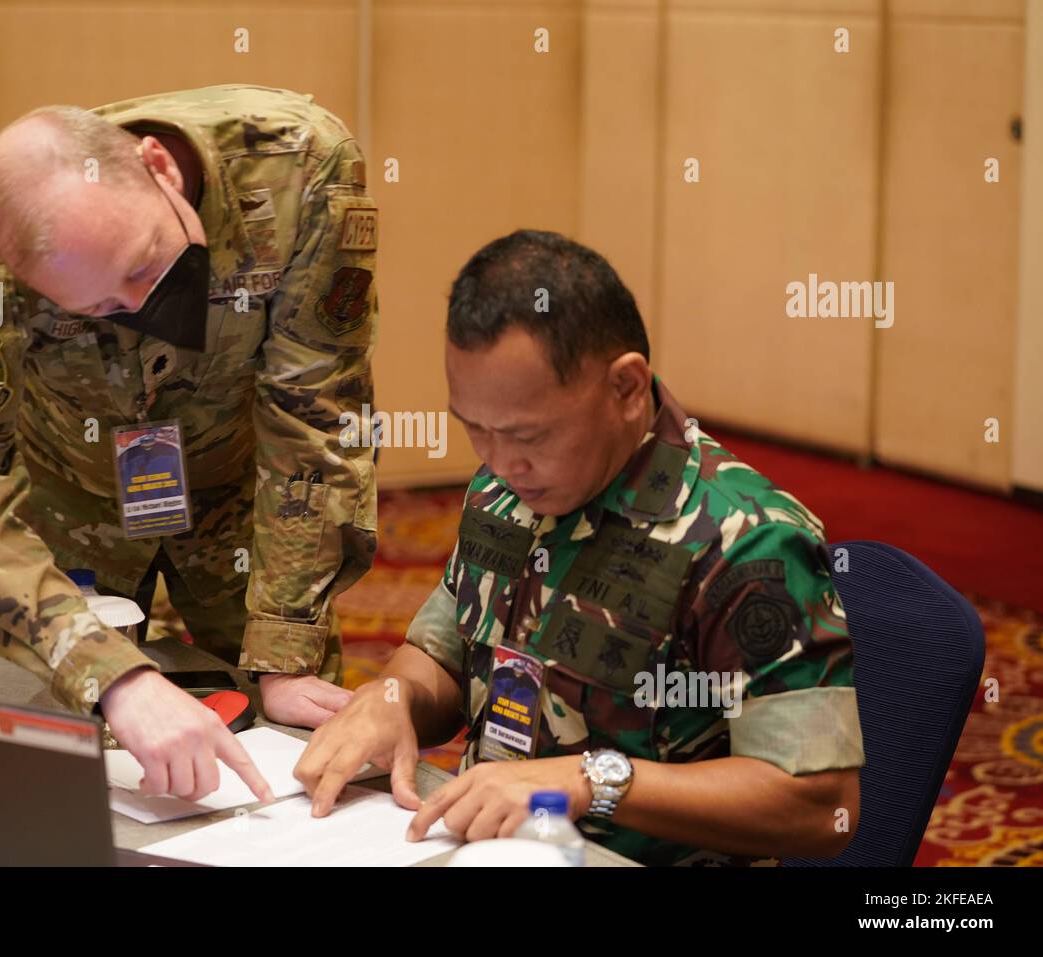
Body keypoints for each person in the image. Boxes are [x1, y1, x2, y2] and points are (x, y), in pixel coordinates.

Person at [295, 230, 864, 865]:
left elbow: (820, 804)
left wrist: (589, 782)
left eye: (527, 433)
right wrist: (392, 700)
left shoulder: (746, 542)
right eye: (475, 428)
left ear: (625, 388)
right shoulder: (506, 491)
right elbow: (441, 657)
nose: (500, 461)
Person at [0, 86, 379, 802]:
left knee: (290, 774)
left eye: (146, 264)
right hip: (69, 499)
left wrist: (286, 648)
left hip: (251, 503)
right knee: (79, 780)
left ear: (161, 168)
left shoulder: (302, 167)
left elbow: (314, 415)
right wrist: (108, 672)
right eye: (100, 308)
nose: (145, 305)